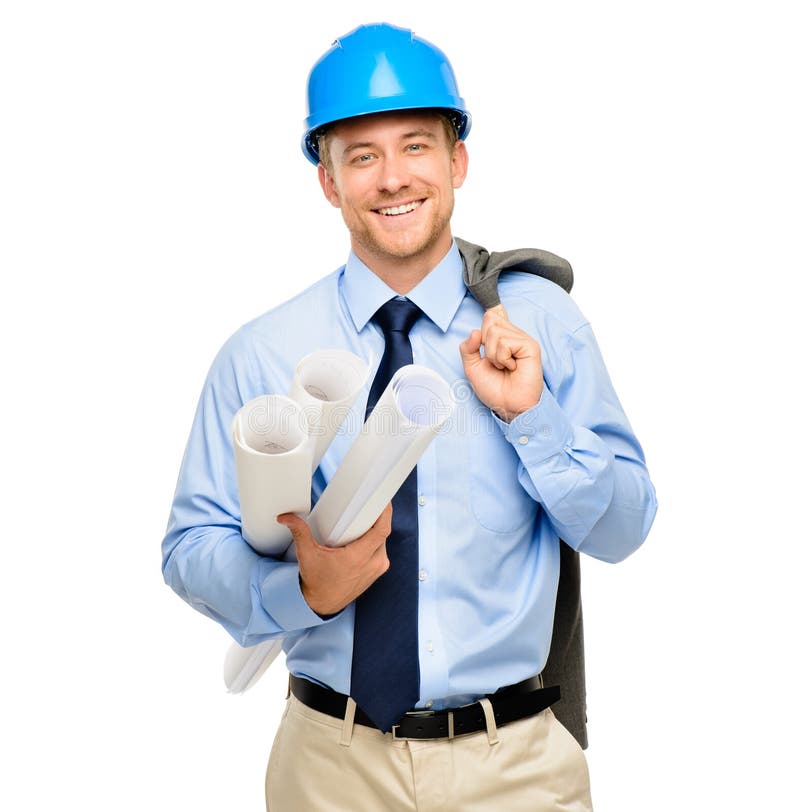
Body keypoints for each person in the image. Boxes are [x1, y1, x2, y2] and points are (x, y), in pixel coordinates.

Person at [162, 22, 657, 811]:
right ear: (329, 182)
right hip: (329, 770)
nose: (393, 178)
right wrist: (304, 591)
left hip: (519, 769)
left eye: (416, 146)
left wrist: (534, 418)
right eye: (361, 156)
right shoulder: (262, 353)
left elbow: (623, 531)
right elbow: (191, 548)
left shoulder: (540, 324)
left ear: (457, 161)